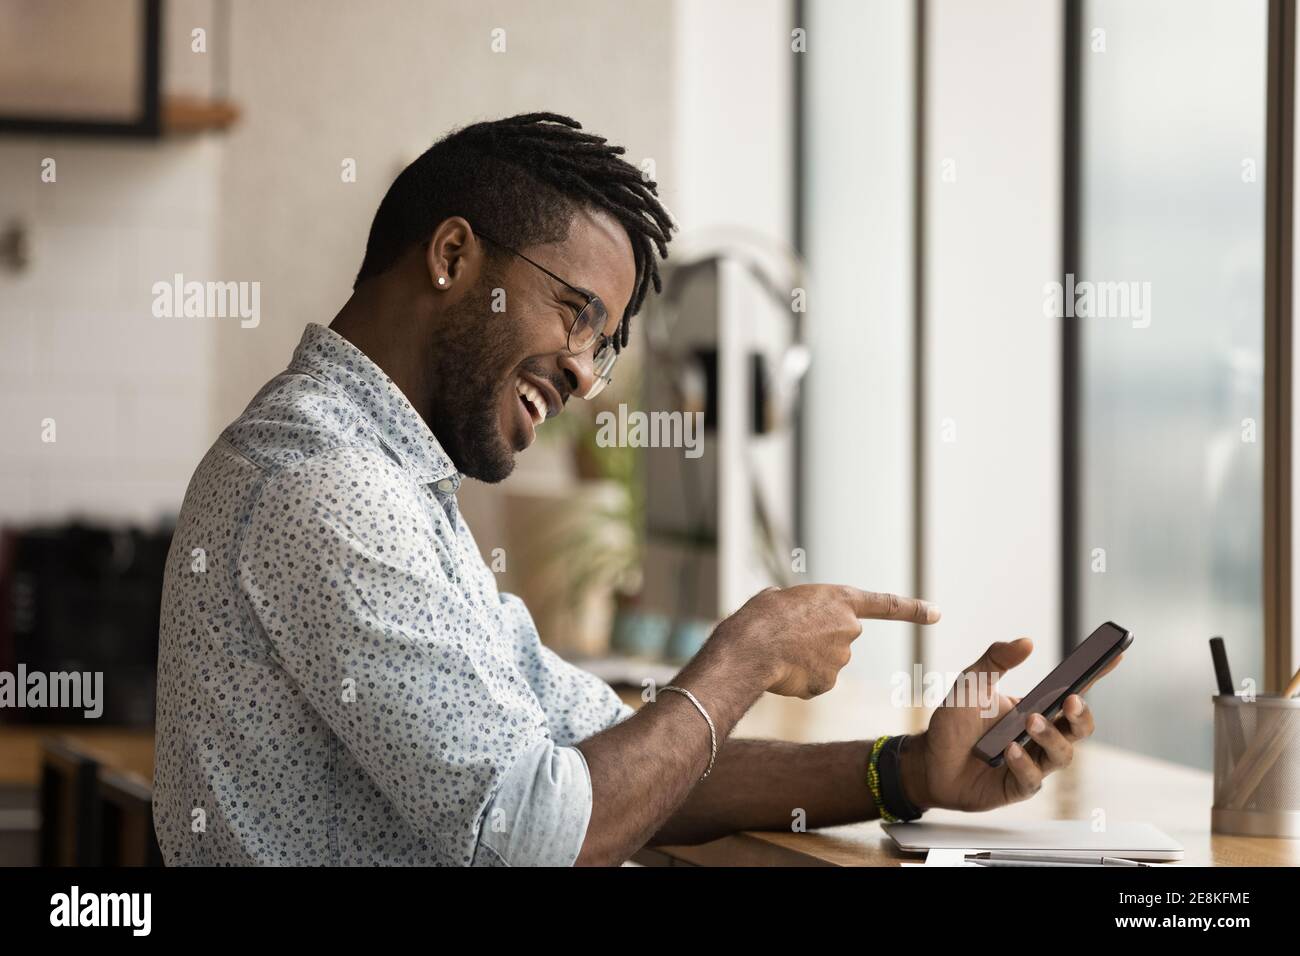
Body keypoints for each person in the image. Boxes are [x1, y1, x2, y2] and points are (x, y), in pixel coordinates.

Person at [153, 112, 1115, 866]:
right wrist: (744, 654)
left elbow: (624, 766)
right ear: (453, 258)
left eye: (601, 348)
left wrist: (906, 771)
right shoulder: (331, 488)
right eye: (576, 315)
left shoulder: (390, 484)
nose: (581, 373)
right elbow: (547, 837)